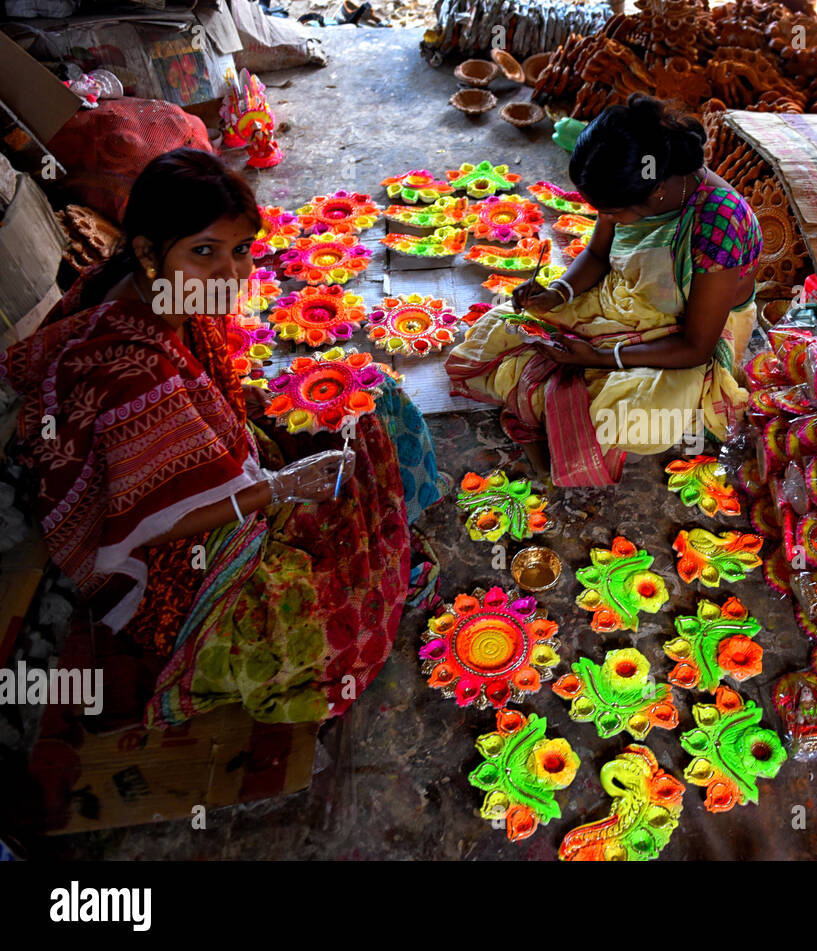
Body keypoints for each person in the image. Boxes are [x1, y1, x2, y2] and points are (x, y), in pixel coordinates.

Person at [0, 148, 441, 726]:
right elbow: (150, 517)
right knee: (328, 619)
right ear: (149, 251)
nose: (233, 273)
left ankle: (387, 524)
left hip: (211, 468)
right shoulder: (131, 369)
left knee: (367, 397)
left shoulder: (161, 289)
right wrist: (281, 487)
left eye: (240, 251)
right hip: (171, 566)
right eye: (204, 252)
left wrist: (252, 413)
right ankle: (380, 543)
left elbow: (204, 396)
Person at [445, 95, 762, 486]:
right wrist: (557, 294)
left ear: (655, 191)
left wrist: (599, 356)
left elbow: (695, 346)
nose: (606, 218)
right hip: (625, 296)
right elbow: (597, 253)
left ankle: (576, 392)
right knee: (502, 327)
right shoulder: (634, 178)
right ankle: (568, 386)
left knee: (640, 418)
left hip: (690, 335)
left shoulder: (719, 223)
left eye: (611, 212)